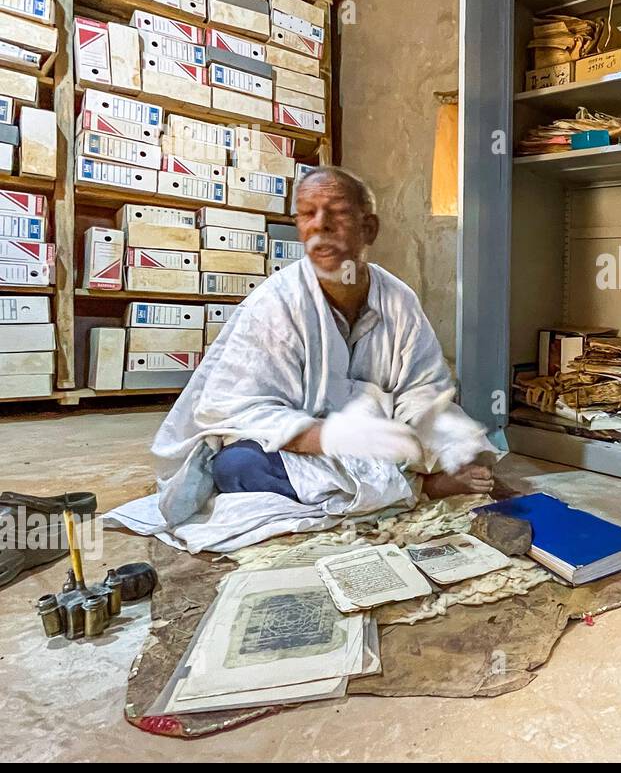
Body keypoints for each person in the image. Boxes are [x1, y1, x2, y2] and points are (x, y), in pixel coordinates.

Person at [107, 167, 497, 553]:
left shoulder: (398, 298)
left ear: (369, 229)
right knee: (236, 466)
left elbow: (421, 385)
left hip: (378, 431)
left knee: (469, 441)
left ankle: (395, 478)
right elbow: (237, 408)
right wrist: (335, 437)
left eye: (338, 212)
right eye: (307, 214)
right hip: (304, 442)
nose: (320, 226)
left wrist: (442, 442)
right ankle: (414, 487)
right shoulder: (274, 303)